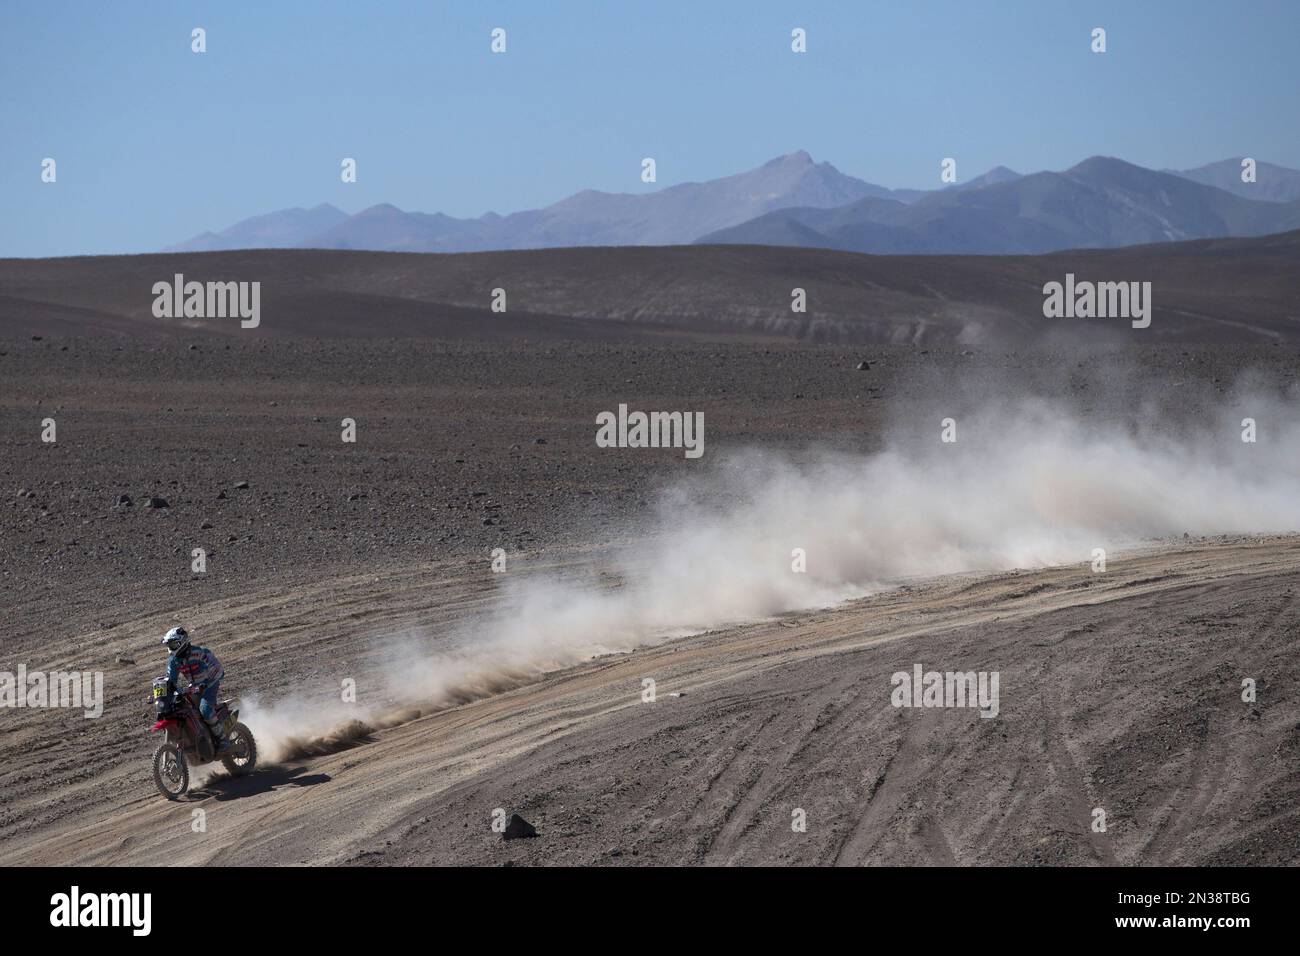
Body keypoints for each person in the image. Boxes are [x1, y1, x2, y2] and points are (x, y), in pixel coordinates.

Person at [161, 626, 228, 750]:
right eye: (169, 644)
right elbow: (170, 679)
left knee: (205, 709)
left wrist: (206, 684)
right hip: (194, 687)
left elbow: (218, 669)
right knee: (181, 710)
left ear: (182, 642)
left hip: (210, 685)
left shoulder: (200, 653)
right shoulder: (174, 660)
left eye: (173, 644)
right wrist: (163, 691)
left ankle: (222, 738)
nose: (170, 648)